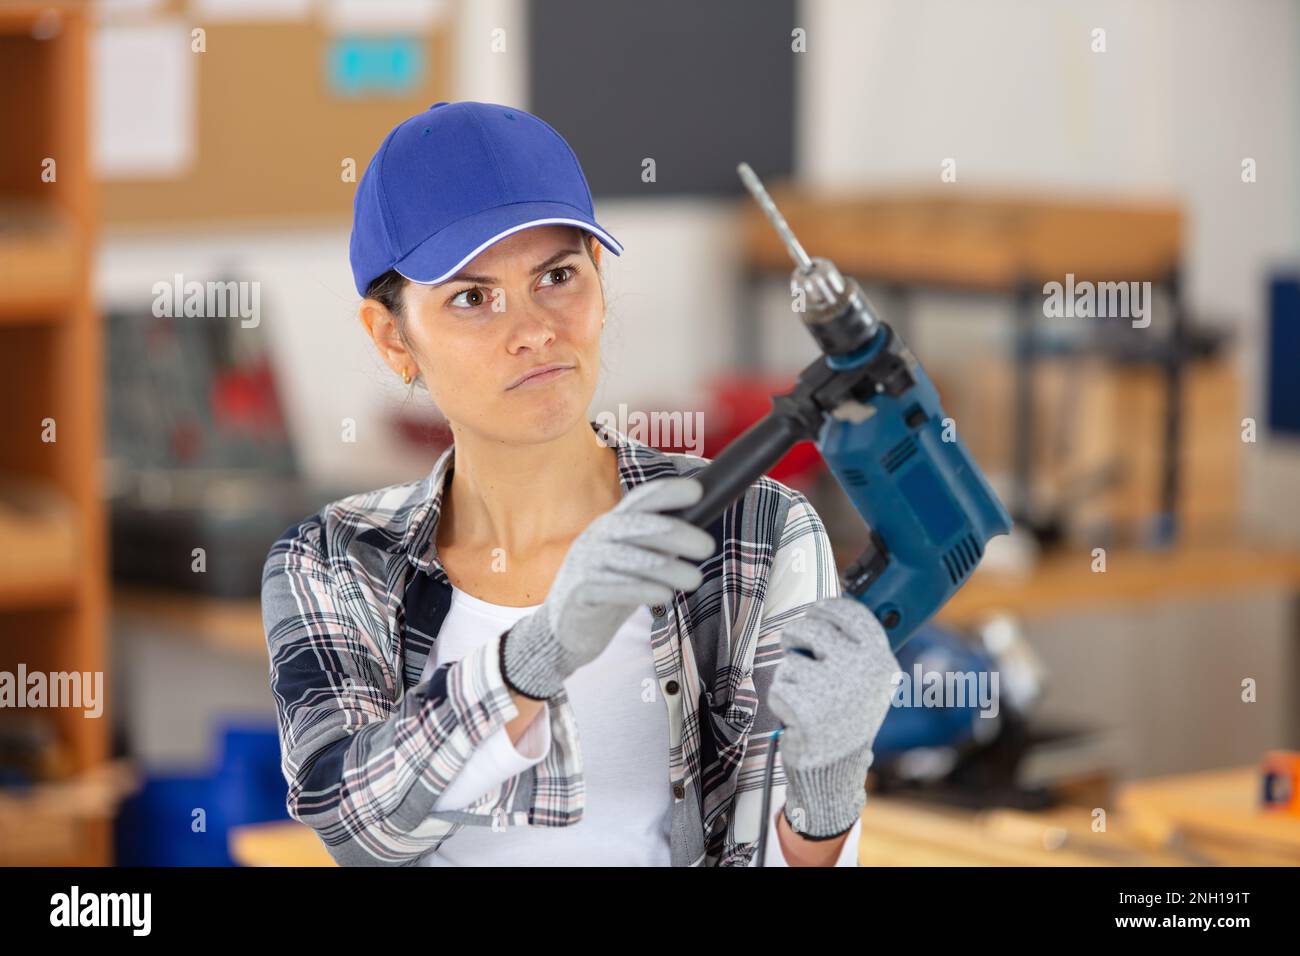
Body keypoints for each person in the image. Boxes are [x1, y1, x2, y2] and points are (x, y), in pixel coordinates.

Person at [261, 100, 899, 867]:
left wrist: (825, 795)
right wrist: (541, 652)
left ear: (600, 281)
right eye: (472, 297)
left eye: (557, 275)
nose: (533, 328)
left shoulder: (754, 531)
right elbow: (356, 827)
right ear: (394, 337)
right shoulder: (334, 561)